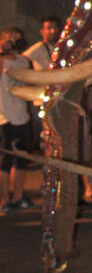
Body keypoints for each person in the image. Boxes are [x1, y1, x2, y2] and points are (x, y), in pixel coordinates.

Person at [0, 28, 35, 213]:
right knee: (5, 160)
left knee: (21, 158)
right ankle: (5, 199)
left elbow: (29, 84)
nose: (13, 42)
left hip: (22, 115)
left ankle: (18, 196)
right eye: (9, 39)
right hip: (4, 118)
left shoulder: (24, 61)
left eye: (17, 39)